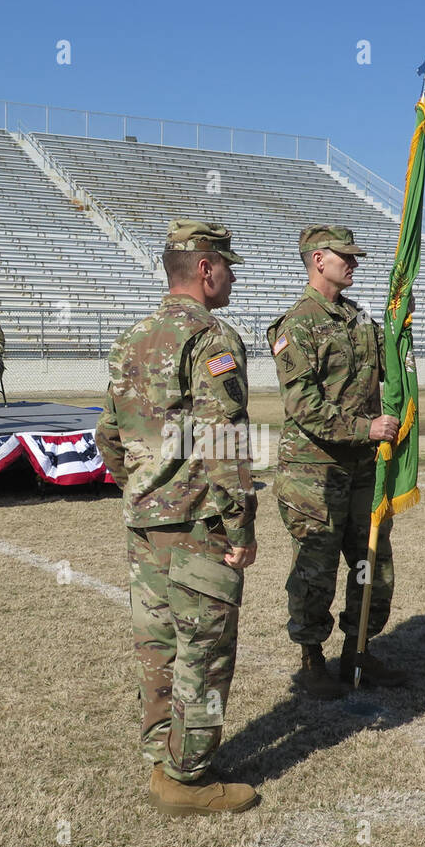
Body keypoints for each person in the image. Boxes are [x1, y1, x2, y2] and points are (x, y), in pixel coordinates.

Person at [96, 220, 259, 816]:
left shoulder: (132, 336)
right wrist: (239, 527)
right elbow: (225, 442)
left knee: (158, 645)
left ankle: (159, 750)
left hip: (146, 525)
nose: (234, 277)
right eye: (230, 266)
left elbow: (108, 433)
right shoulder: (212, 338)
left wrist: (138, 488)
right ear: (207, 269)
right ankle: (186, 777)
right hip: (198, 527)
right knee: (206, 656)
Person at [267, 224, 405, 699]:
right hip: (315, 472)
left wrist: (401, 329)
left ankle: (358, 651)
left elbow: (390, 369)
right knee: (316, 570)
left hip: (363, 470)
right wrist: (365, 428)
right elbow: (302, 405)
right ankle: (311, 661)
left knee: (373, 564)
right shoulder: (296, 325)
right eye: (345, 256)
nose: (354, 263)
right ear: (318, 259)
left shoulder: (361, 320)